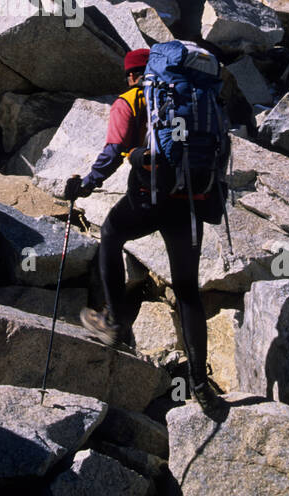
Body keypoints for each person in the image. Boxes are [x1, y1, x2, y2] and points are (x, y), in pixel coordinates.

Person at [63, 47, 226, 418]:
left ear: (134, 75)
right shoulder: (196, 97)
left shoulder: (132, 100)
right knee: (187, 290)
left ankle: (115, 321)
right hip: (191, 201)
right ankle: (200, 383)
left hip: (149, 196)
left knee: (110, 234)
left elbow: (113, 150)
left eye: (128, 75)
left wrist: (85, 184)